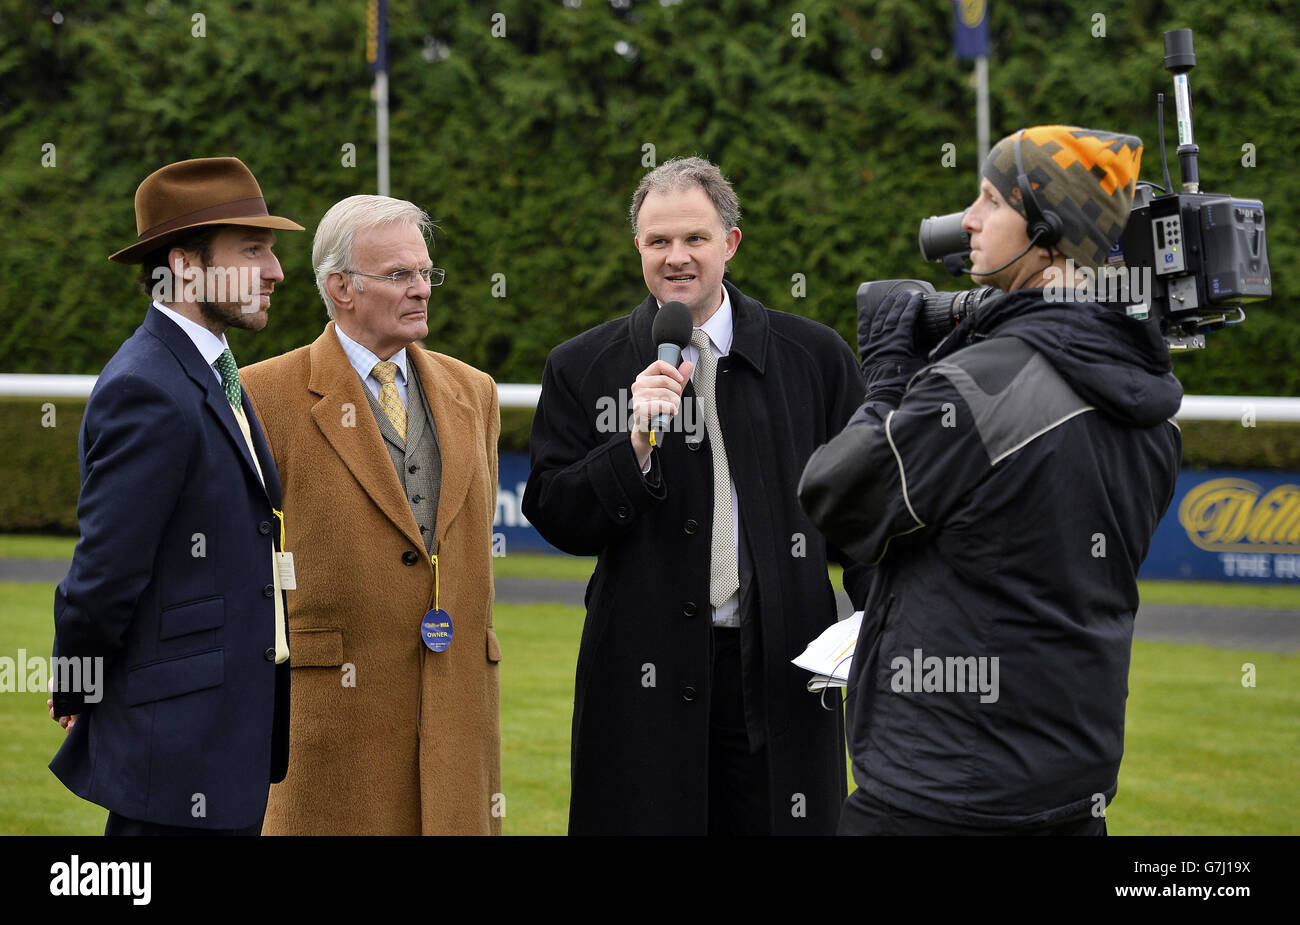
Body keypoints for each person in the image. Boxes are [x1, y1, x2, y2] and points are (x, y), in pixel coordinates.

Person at [798, 125, 1183, 835]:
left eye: (988, 199)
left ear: (1047, 230)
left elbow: (838, 499)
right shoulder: (1152, 401)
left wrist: (886, 375)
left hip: (938, 790)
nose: (967, 220)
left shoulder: (984, 386)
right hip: (1072, 786)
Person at [522, 156, 872, 835]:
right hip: (640, 676)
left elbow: (866, 516)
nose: (676, 257)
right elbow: (556, 511)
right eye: (659, 241)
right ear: (638, 249)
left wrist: (882, 624)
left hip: (784, 674)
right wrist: (634, 447)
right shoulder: (580, 364)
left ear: (730, 243)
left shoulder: (816, 359)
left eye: (695, 238)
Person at [48, 156, 304, 834]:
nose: (276, 270)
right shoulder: (149, 386)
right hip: (178, 747)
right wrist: (77, 673)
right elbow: (104, 570)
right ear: (187, 266)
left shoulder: (211, 369)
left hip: (217, 743)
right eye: (253, 249)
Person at [240, 195, 502, 835]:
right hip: (329, 720)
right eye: (399, 276)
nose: (421, 290)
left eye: (426, 273)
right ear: (340, 288)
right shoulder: (259, 394)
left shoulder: (476, 391)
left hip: (458, 705)